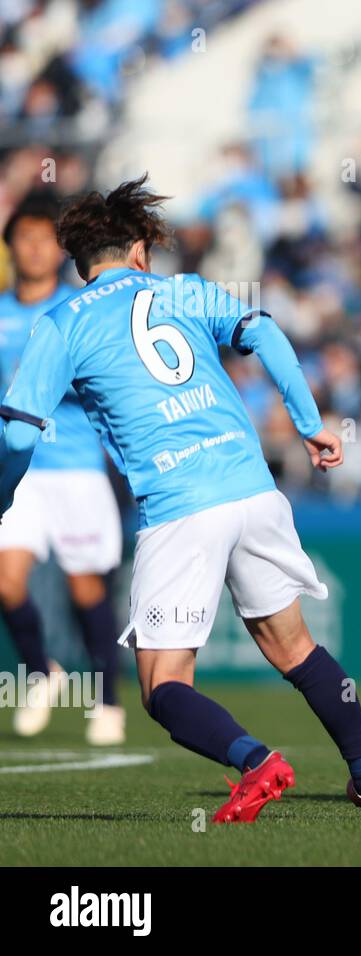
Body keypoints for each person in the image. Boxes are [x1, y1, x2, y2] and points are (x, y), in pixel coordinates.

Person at [0, 176, 361, 821]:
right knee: (294, 649)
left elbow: (19, 433)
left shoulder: (61, 323)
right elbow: (265, 332)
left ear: (80, 264)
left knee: (163, 687)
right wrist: (309, 425)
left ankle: (256, 762)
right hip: (253, 490)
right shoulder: (183, 291)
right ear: (138, 250)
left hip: (179, 505)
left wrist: (4, 495)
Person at [0, 192, 124, 744]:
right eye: (22, 238)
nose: (33, 248)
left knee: (85, 587)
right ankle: (41, 672)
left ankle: (108, 699)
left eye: (44, 238)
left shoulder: (77, 313)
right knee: (6, 581)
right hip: (17, 468)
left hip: (76, 468)